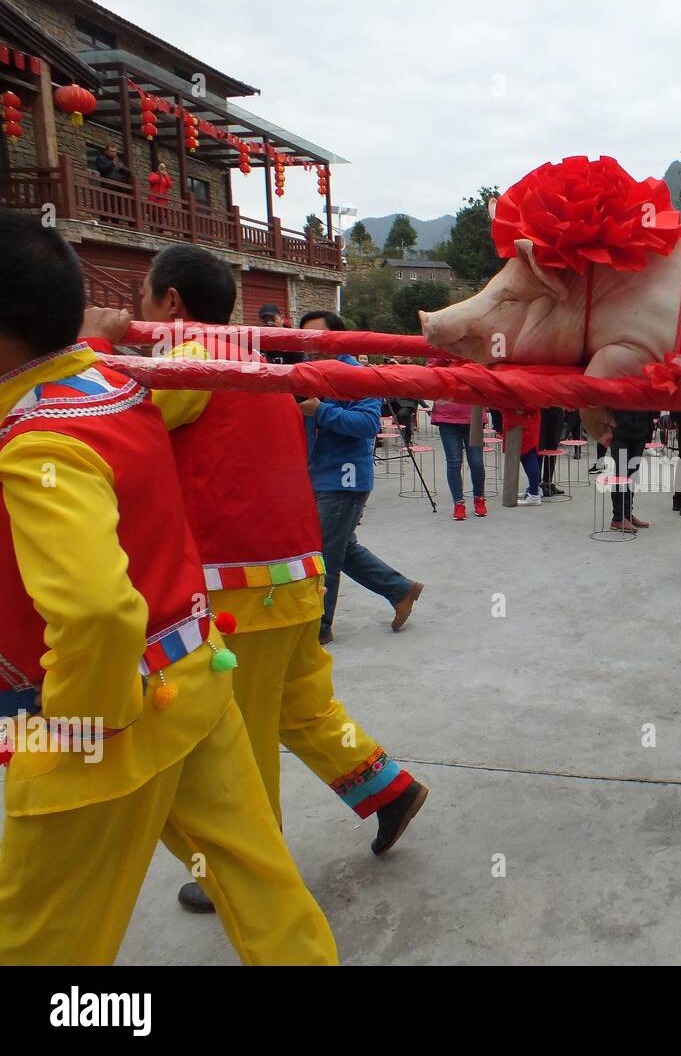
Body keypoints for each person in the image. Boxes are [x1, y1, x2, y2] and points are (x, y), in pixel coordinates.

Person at [0, 212, 336, 964]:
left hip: (107, 714)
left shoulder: (40, 441)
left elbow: (95, 610)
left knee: (36, 939)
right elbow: (71, 371)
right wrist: (97, 339)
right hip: (194, 665)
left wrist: (76, 732)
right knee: (259, 881)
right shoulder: (116, 382)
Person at [132, 247, 429, 912]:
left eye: (144, 300)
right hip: (293, 573)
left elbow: (110, 429)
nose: (138, 315)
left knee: (237, 736)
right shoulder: (255, 362)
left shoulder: (189, 362)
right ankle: (389, 789)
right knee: (302, 707)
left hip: (239, 587)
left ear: (171, 304)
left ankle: (246, 872)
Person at [299, 310, 424, 642]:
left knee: (325, 554)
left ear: (337, 339)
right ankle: (401, 590)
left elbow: (369, 425)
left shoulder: (355, 374)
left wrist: (319, 410)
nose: (310, 346)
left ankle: (320, 627)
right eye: (305, 339)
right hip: (315, 476)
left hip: (344, 479)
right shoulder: (304, 373)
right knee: (342, 547)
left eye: (318, 338)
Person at [432, 398, 487, 519]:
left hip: (474, 415)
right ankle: (458, 503)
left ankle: (479, 497)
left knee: (476, 462)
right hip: (446, 416)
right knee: (454, 463)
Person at [609, 409, 653, 532]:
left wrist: (649, 429)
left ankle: (627, 515)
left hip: (640, 430)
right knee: (621, 475)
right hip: (620, 432)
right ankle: (618, 517)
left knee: (632, 476)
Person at [502, 407, 542, 504]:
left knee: (528, 456)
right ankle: (534, 490)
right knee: (528, 456)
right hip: (522, 418)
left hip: (524, 419)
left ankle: (534, 495)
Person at [539, 406, 565, 497]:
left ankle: (547, 482)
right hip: (541, 409)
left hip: (556, 409)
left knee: (553, 450)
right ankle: (536, 485)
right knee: (539, 449)